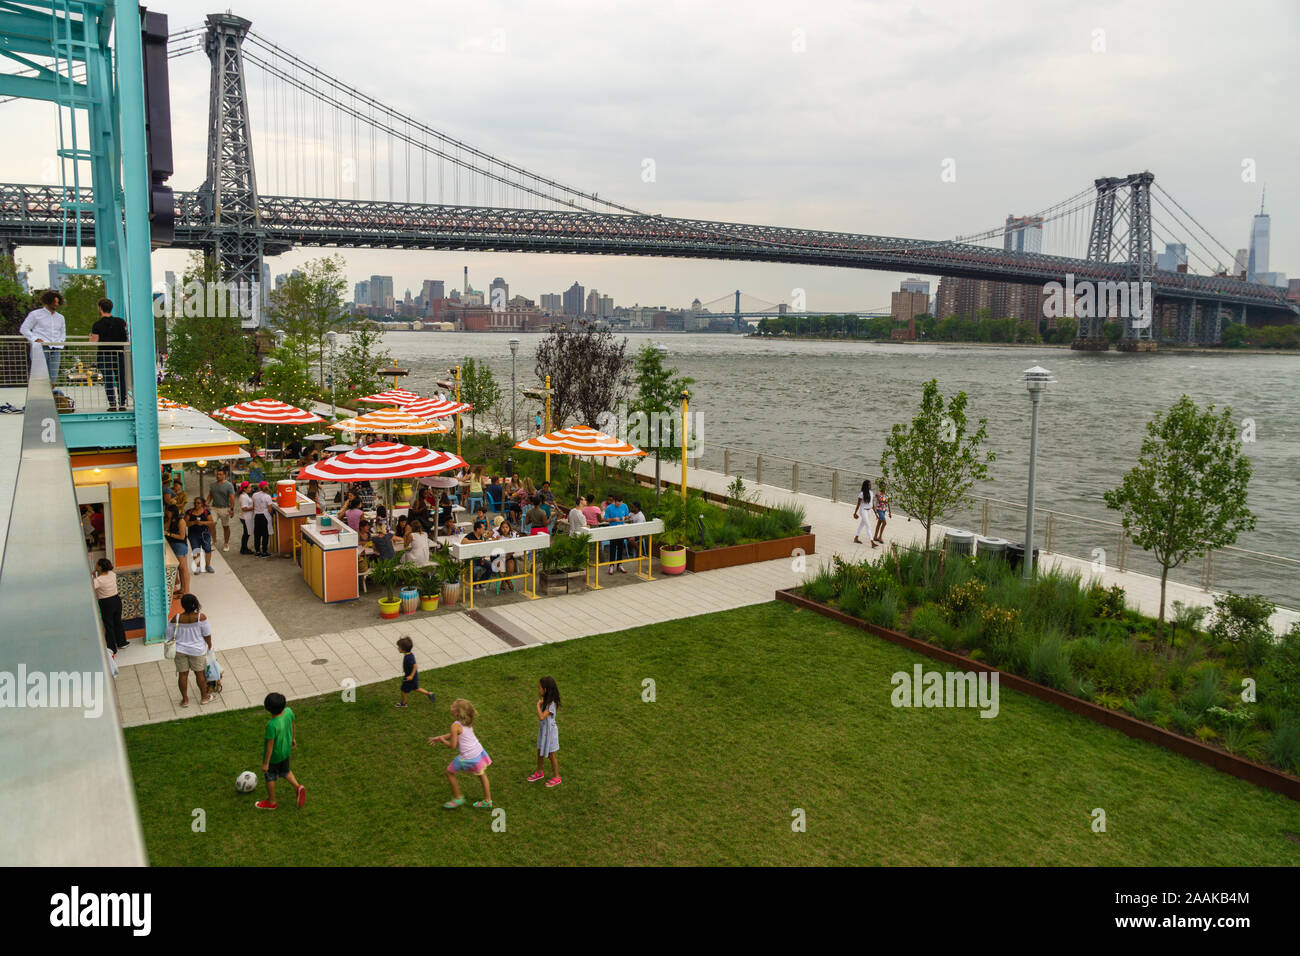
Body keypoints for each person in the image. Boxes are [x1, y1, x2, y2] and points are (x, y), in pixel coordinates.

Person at [429, 698, 492, 810]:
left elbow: (452, 746)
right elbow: (455, 733)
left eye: (453, 706)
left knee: (449, 772)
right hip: (478, 752)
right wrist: (439, 737)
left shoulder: (455, 726)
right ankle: (488, 800)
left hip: (467, 757)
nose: (451, 706)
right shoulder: (467, 721)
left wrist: (443, 741)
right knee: (482, 774)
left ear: (457, 713)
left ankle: (458, 797)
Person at [257, 692, 306, 811]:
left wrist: (266, 763)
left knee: (270, 777)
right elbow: (292, 724)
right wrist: (293, 738)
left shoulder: (271, 725)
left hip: (274, 756)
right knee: (285, 771)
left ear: (267, 708)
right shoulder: (289, 712)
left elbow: (270, 745)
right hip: (285, 751)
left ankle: (271, 802)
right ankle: (298, 787)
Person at [165, 593, 213, 707]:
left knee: (183, 675)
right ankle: (204, 697)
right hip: (197, 650)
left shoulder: (175, 618)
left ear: (182, 605)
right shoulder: (201, 617)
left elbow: (168, 635)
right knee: (200, 674)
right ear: (196, 603)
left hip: (180, 651)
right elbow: (207, 634)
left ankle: (185, 700)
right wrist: (209, 645)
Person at [88, 297, 129, 410]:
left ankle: (112, 403)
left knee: (108, 379)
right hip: (119, 353)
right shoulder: (120, 321)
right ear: (111, 308)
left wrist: (90, 337)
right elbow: (126, 329)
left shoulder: (97, 325)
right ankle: (122, 403)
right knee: (121, 378)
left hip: (104, 354)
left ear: (100, 308)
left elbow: (93, 341)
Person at [19, 290, 66, 384]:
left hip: (56, 349)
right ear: (48, 302)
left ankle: (51, 396)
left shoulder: (60, 317)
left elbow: (63, 333)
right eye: (54, 302)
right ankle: (40, 397)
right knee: (40, 377)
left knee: (53, 378)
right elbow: (24, 329)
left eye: (57, 302)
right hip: (40, 349)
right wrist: (35, 339)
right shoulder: (35, 314)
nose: (56, 304)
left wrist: (60, 342)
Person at [527, 676, 562, 788]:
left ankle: (557, 777)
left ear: (545, 690)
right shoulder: (547, 701)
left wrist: (538, 705)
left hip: (550, 734)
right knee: (539, 750)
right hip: (544, 732)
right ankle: (539, 772)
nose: (538, 690)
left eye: (540, 688)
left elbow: (542, 717)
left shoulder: (551, 704)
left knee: (551, 754)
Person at [93, 558, 128, 651]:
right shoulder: (112, 574)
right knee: (118, 622)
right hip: (116, 600)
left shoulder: (98, 580)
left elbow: (91, 587)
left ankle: (112, 647)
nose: (95, 565)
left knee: (109, 625)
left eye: (96, 564)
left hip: (106, 603)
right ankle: (122, 642)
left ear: (100, 567)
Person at [395, 636, 436, 708]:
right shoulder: (410, 654)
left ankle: (404, 704)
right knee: (416, 688)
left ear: (403, 649)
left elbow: (415, 666)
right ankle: (429, 693)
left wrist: (411, 676)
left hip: (410, 677)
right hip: (413, 677)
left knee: (403, 690)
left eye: (399, 647)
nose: (398, 648)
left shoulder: (408, 658)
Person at [164, 505, 191, 597]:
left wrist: (169, 533)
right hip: (173, 545)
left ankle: (186, 591)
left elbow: (182, 536)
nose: (166, 513)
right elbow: (164, 528)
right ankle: (182, 589)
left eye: (168, 511)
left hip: (180, 546)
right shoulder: (170, 520)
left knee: (184, 569)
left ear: (173, 512)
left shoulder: (181, 521)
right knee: (179, 569)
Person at [186, 496, 216, 574]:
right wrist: (194, 522)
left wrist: (202, 523)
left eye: (198, 503)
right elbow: (185, 523)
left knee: (208, 549)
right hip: (193, 534)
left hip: (205, 533)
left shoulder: (206, 512)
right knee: (196, 550)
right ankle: (198, 567)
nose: (196, 504)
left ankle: (208, 566)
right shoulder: (189, 512)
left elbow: (211, 522)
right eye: (195, 503)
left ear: (202, 504)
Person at [208, 469, 237, 552]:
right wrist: (206, 503)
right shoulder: (212, 484)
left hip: (225, 508)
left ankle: (226, 543)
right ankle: (213, 541)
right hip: (214, 508)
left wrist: (231, 509)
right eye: (217, 474)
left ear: (224, 475)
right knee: (212, 524)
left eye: (220, 474)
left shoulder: (229, 485)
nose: (218, 476)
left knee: (226, 526)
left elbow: (232, 497)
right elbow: (210, 495)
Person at [604, 492, 630, 574]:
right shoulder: (609, 508)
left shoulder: (624, 506)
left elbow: (628, 516)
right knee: (613, 548)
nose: (619, 505)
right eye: (618, 504)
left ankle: (619, 564)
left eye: (620, 503)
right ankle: (611, 565)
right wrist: (613, 519)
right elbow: (605, 519)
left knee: (620, 547)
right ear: (614, 502)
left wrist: (624, 517)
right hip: (613, 529)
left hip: (621, 529)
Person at [252, 481, 274, 557]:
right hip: (265, 516)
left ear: (259, 487)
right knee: (265, 534)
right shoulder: (268, 497)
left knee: (257, 534)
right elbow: (270, 509)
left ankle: (257, 551)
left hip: (257, 516)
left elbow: (254, 505)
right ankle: (264, 551)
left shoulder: (254, 495)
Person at [852, 479, 874, 545]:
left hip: (869, 510)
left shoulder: (871, 493)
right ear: (866, 486)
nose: (870, 486)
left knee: (862, 524)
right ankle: (872, 542)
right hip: (863, 510)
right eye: (869, 485)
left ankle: (856, 538)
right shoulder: (861, 494)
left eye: (870, 484)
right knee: (868, 526)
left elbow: (872, 504)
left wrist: (876, 513)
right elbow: (858, 504)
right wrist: (855, 513)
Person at [872, 479, 893, 547]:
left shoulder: (887, 494)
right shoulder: (878, 494)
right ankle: (880, 537)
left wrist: (889, 512)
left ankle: (875, 536)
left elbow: (888, 503)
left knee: (879, 523)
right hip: (879, 509)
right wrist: (885, 502)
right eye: (882, 486)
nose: (883, 487)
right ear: (880, 487)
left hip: (884, 510)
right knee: (884, 523)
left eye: (884, 486)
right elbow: (880, 501)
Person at [238, 482, 255, 554]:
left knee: (247, 533)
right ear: (244, 489)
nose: (250, 489)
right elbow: (244, 508)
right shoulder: (244, 497)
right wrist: (254, 508)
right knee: (246, 533)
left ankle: (244, 548)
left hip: (246, 517)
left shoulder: (245, 495)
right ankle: (243, 549)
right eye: (249, 487)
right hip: (245, 517)